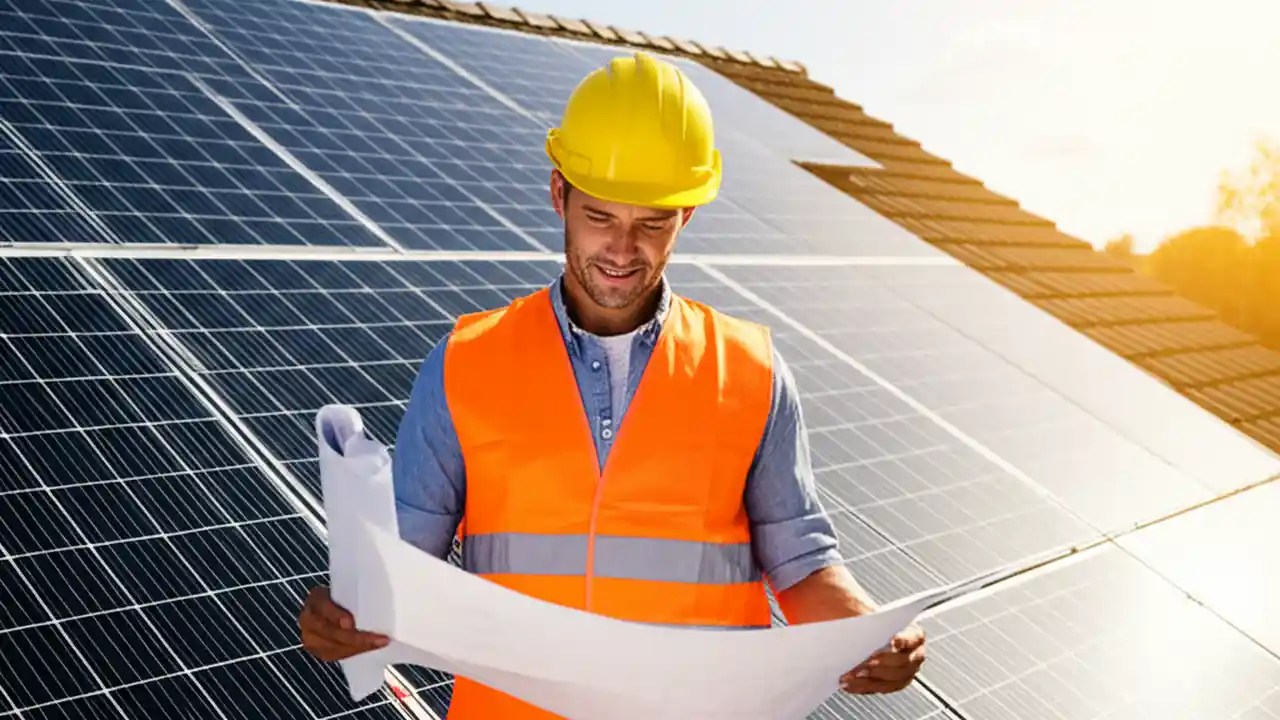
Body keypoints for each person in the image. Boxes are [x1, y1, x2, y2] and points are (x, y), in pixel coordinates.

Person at [298, 50, 926, 718]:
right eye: (600, 216)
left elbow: (803, 563)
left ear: (687, 214)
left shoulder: (752, 372)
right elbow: (396, 576)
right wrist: (343, 618)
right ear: (559, 195)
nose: (623, 249)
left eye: (651, 223)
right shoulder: (464, 364)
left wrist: (869, 632)